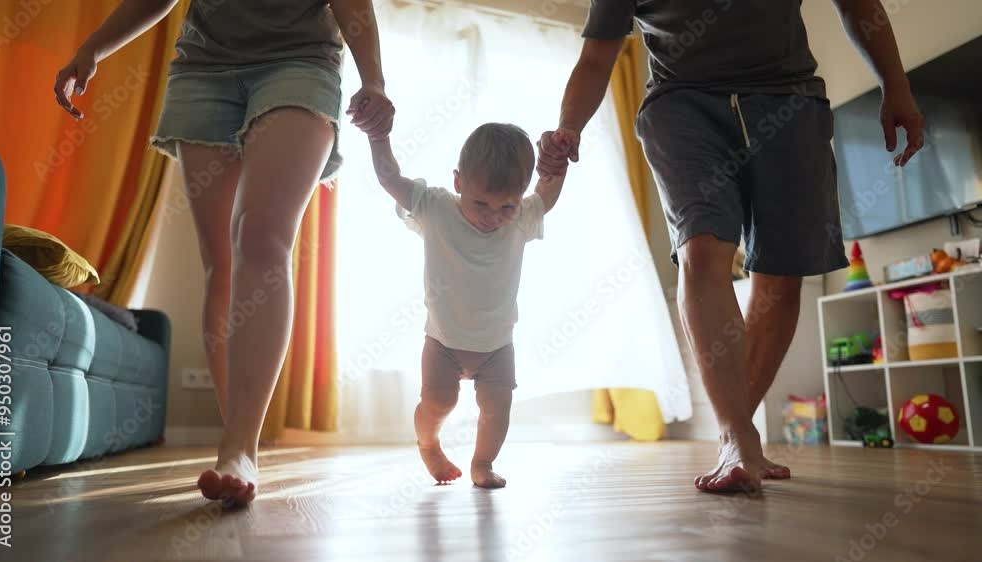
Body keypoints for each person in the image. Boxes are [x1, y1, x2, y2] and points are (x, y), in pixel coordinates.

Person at [537, 0, 924, 492]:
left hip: (789, 99)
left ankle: (734, 429)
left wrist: (897, 85)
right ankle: (738, 435)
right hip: (682, 104)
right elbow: (597, 56)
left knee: (782, 274)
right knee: (702, 249)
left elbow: (858, 5)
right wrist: (568, 127)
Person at [53, 0, 395, 506]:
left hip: (299, 66)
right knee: (221, 261)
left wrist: (376, 80)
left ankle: (239, 448)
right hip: (203, 72)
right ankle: (237, 438)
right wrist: (93, 48)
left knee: (261, 237)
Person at [364, 123, 565, 488]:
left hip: (498, 346)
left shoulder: (520, 220)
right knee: (439, 402)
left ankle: (482, 463)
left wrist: (557, 163)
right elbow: (390, 179)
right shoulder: (436, 208)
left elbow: (546, 196)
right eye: (480, 204)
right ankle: (429, 444)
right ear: (459, 183)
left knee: (497, 410)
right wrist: (378, 136)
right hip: (443, 343)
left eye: (506, 205)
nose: (492, 215)